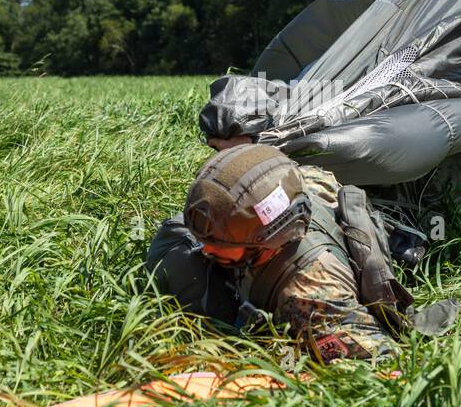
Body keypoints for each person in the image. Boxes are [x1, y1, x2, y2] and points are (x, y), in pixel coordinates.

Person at [147, 143, 421, 364]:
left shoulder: (308, 296)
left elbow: (382, 361)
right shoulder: (299, 182)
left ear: (268, 243)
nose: (205, 250)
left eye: (219, 245)